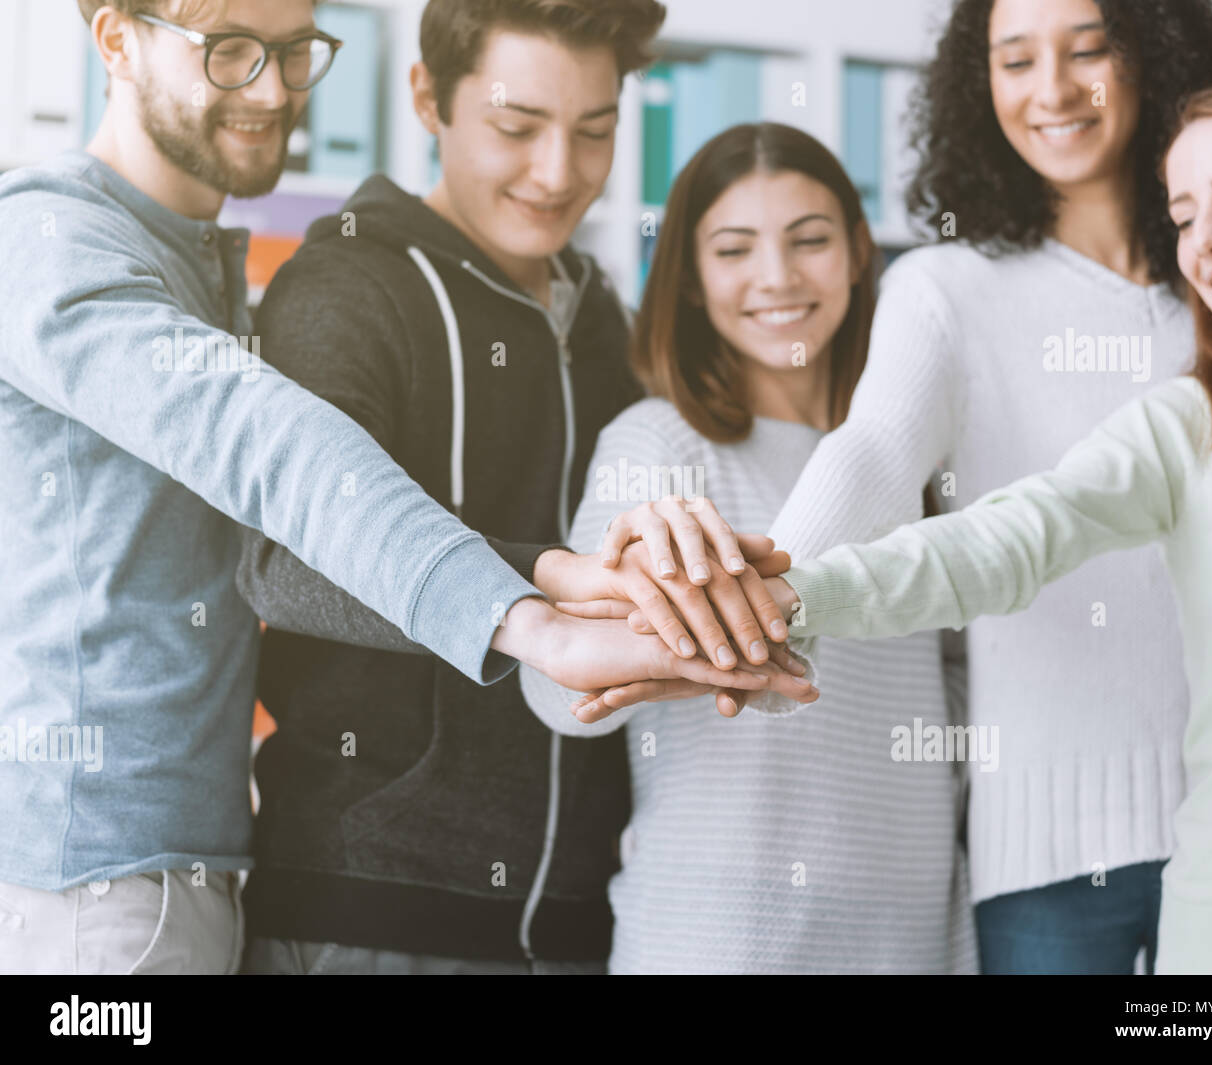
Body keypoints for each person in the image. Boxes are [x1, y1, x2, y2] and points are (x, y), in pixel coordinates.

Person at [0, 0, 804, 976]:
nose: (273, 90)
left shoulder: (206, 266)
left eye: (295, 51)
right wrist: (536, 610)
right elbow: (273, 461)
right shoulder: (49, 240)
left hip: (227, 873)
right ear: (115, 40)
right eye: (230, 51)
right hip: (113, 885)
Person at [587, 0, 1212, 975]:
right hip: (1044, 852)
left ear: (1156, 52)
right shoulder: (944, 287)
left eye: (1088, 49)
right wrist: (779, 605)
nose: (1053, 89)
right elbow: (878, 452)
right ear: (978, 83)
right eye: (1015, 60)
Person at [521, 123, 976, 974]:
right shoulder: (658, 445)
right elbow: (556, 694)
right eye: (734, 250)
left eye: (810, 240)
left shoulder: (914, 457)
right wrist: (648, 611)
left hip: (908, 931)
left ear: (860, 252)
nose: (777, 278)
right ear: (691, 280)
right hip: (716, 936)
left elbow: (956, 682)